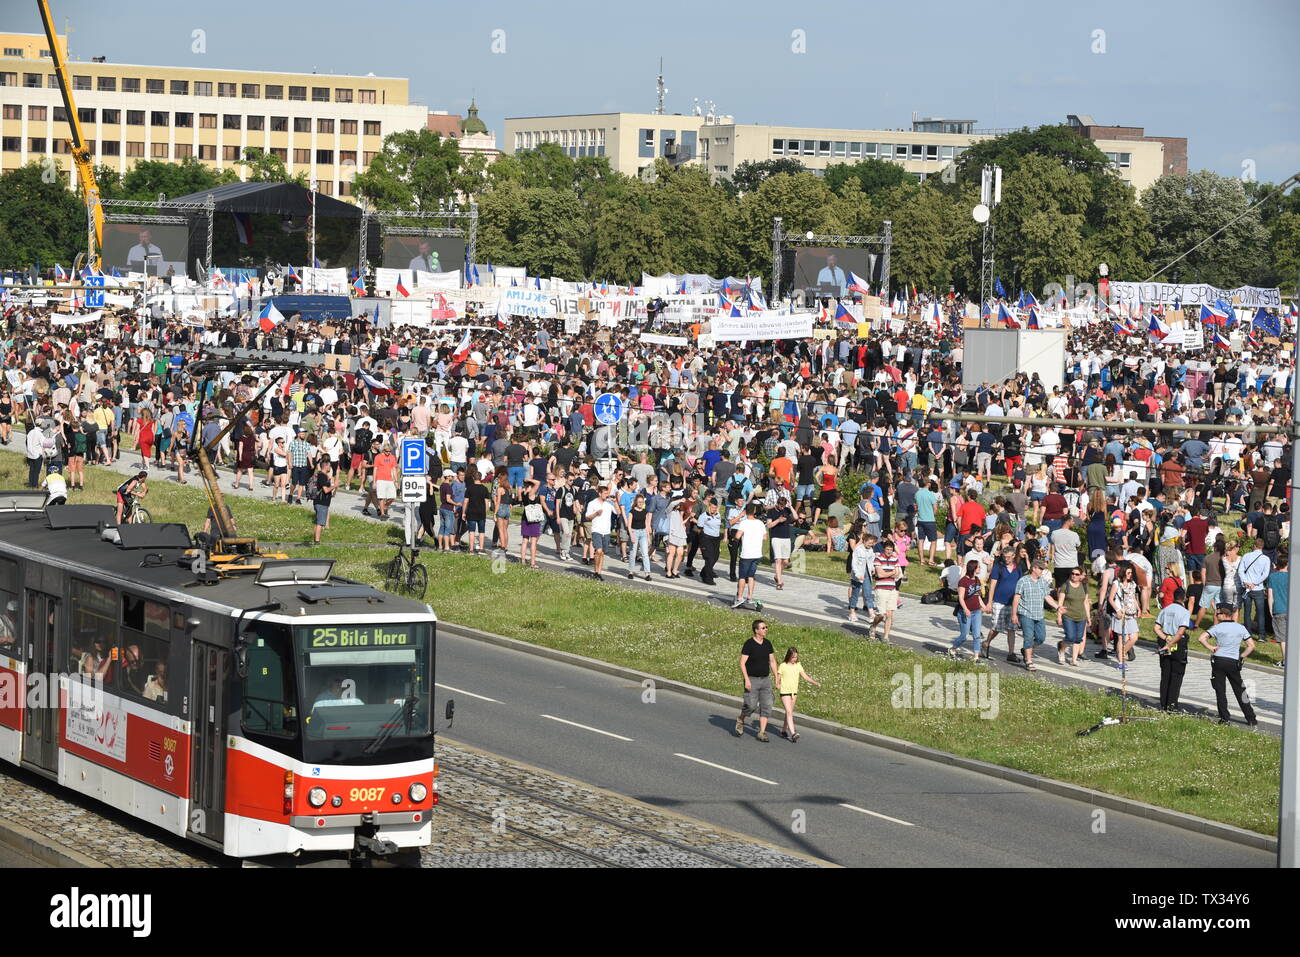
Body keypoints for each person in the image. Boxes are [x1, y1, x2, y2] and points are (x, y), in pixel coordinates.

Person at [1196, 604, 1258, 727]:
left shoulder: (1217, 627)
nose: (1216, 615)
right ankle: (1251, 718)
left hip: (1218, 661)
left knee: (1220, 691)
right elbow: (1251, 646)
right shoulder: (1241, 628)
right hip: (1233, 662)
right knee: (1240, 690)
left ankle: (1225, 719)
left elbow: (1201, 638)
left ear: (1224, 615)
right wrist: (1241, 657)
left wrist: (1211, 647)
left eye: (1217, 613)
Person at [735, 619, 779, 743]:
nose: (766, 629)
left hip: (765, 680)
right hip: (752, 680)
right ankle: (741, 719)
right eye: (763, 628)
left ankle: (761, 732)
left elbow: (772, 661)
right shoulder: (749, 644)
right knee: (751, 705)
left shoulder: (767, 643)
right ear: (756, 630)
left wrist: (776, 677)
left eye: (766, 627)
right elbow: (742, 663)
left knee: (767, 705)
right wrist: (747, 680)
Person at [1011, 560, 1058, 671]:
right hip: (1026, 613)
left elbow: (1047, 596)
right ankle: (1028, 661)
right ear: (1034, 568)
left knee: (1041, 638)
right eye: (1040, 569)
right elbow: (1016, 598)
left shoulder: (1043, 582)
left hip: (1039, 614)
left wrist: (1058, 607)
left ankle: (1027, 649)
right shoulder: (1023, 581)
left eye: (1043, 569)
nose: (1042, 571)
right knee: (1028, 637)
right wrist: (1014, 614)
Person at [1153, 586, 1192, 711]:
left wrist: (1166, 639)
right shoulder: (1185, 612)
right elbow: (1180, 633)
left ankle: (1163, 704)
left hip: (1164, 643)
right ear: (1184, 599)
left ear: (1174, 597)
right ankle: (1172, 705)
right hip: (1178, 645)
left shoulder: (1165, 609)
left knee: (1165, 675)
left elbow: (1156, 628)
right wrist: (1172, 642)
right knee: (1176, 675)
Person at [776, 647, 822, 742]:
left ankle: (784, 731)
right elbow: (778, 678)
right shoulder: (783, 665)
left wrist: (815, 682)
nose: (794, 659)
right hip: (784, 692)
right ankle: (793, 733)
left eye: (796, 657)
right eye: (793, 657)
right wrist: (777, 684)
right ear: (788, 656)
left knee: (789, 713)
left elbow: (805, 677)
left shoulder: (798, 665)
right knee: (789, 712)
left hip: (794, 693)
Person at [730, 501, 767, 609]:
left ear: (746, 511)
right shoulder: (760, 523)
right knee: (751, 576)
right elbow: (765, 537)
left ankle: (740, 597)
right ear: (755, 511)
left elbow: (737, 536)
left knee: (742, 577)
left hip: (746, 554)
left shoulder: (744, 523)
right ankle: (750, 596)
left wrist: (736, 538)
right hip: (757, 554)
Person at [948, 559, 987, 660]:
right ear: (973, 568)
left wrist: (984, 607)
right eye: (978, 567)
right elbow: (960, 597)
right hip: (964, 612)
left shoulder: (977, 580)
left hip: (977, 611)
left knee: (977, 634)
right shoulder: (963, 581)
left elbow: (977, 595)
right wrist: (965, 609)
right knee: (964, 635)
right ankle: (953, 648)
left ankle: (976, 656)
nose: (980, 569)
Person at [1237, 538, 1273, 645]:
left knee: (1247, 611)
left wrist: (1246, 582)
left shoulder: (1246, 556)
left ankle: (1248, 633)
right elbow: (1265, 574)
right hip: (1258, 588)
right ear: (1262, 547)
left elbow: (1240, 570)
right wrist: (1255, 583)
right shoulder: (1266, 559)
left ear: (1254, 545)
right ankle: (1262, 635)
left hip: (1246, 588)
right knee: (1260, 612)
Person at [1055, 566, 1091, 666]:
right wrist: (1059, 617)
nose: (1074, 576)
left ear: (1080, 576)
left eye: (1077, 574)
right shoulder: (1065, 586)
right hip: (1068, 615)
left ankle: (1073, 659)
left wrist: (1088, 618)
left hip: (1081, 616)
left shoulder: (1084, 586)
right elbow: (1060, 603)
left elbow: (1085, 603)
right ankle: (1061, 647)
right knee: (1070, 637)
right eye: (1072, 574)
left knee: (1078, 638)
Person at [585, 482, 619, 581]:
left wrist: (615, 501)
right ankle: (595, 571)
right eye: (605, 493)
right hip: (597, 530)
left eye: (607, 493)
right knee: (598, 551)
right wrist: (596, 513)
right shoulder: (593, 503)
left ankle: (599, 572)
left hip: (606, 531)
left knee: (602, 553)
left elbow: (618, 512)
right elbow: (587, 516)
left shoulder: (609, 503)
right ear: (599, 493)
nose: (607, 495)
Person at [1267, 552, 1288, 669]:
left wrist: (1270, 608)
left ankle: (1286, 660)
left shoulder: (1273, 577)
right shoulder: (1293, 576)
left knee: (1282, 637)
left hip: (1279, 609)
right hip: (1292, 610)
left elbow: (1270, 595)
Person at [310, 458, 337, 544]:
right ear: (325, 466)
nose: (330, 467)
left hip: (319, 502)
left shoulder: (322, 476)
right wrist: (335, 486)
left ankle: (315, 539)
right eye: (329, 465)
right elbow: (325, 490)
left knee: (318, 522)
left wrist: (330, 482)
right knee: (320, 523)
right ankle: (317, 542)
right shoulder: (322, 476)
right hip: (321, 502)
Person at [519, 477, 543, 570]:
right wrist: (529, 479)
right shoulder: (531, 493)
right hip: (533, 520)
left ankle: (523, 560)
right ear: (530, 486)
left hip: (525, 518)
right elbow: (538, 482)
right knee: (533, 542)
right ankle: (533, 562)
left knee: (525, 540)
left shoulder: (523, 493)